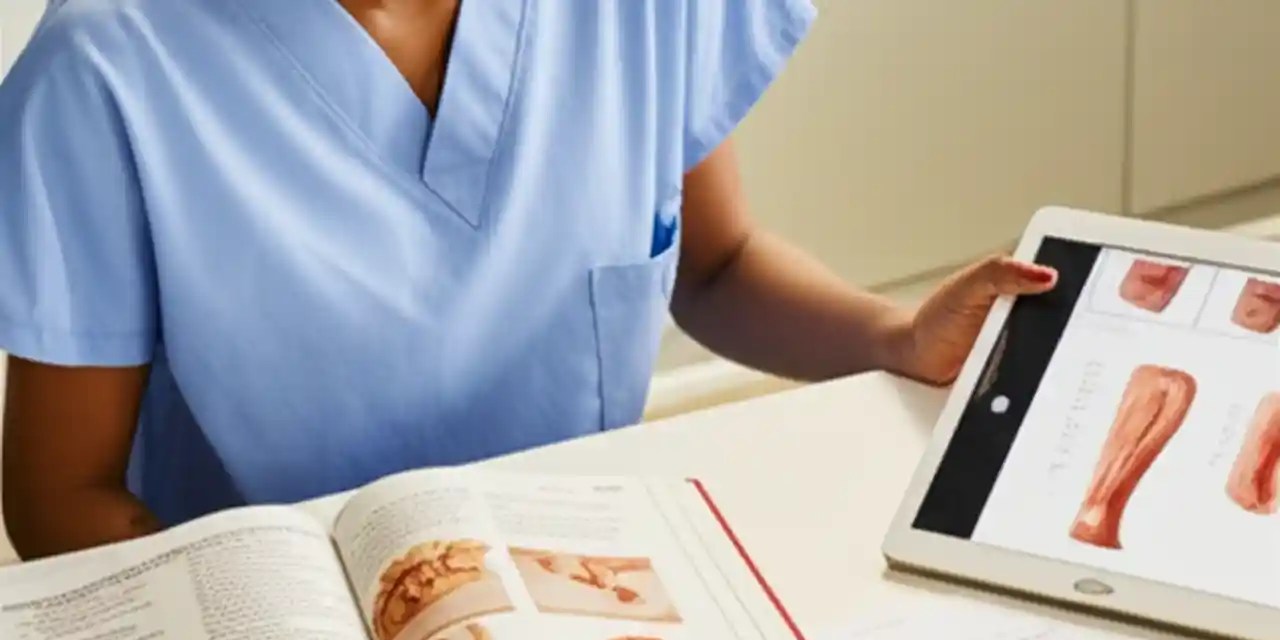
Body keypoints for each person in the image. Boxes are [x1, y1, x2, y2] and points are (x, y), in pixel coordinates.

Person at [0, 0, 1057, 560]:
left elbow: (720, 267)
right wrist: (262, 627)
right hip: (285, 635)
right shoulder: (107, 62)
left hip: (586, 593)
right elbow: (58, 500)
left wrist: (890, 337)